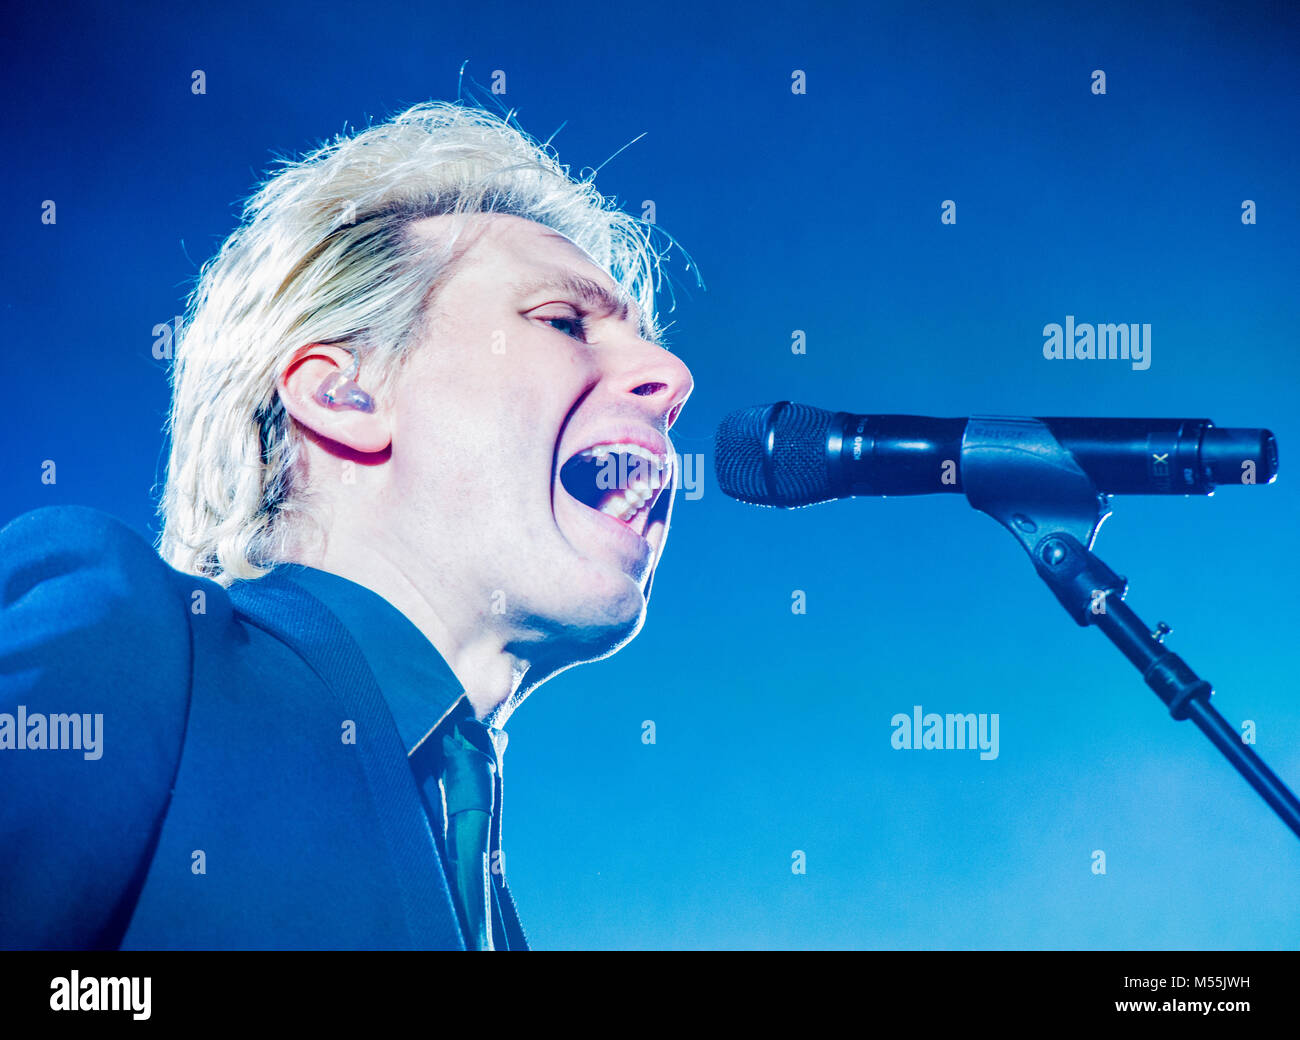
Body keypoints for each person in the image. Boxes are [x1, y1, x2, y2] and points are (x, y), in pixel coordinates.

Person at [0, 102, 693, 951]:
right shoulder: (130, 633)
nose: (671, 373)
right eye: (562, 321)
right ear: (342, 395)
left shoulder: (481, 894)